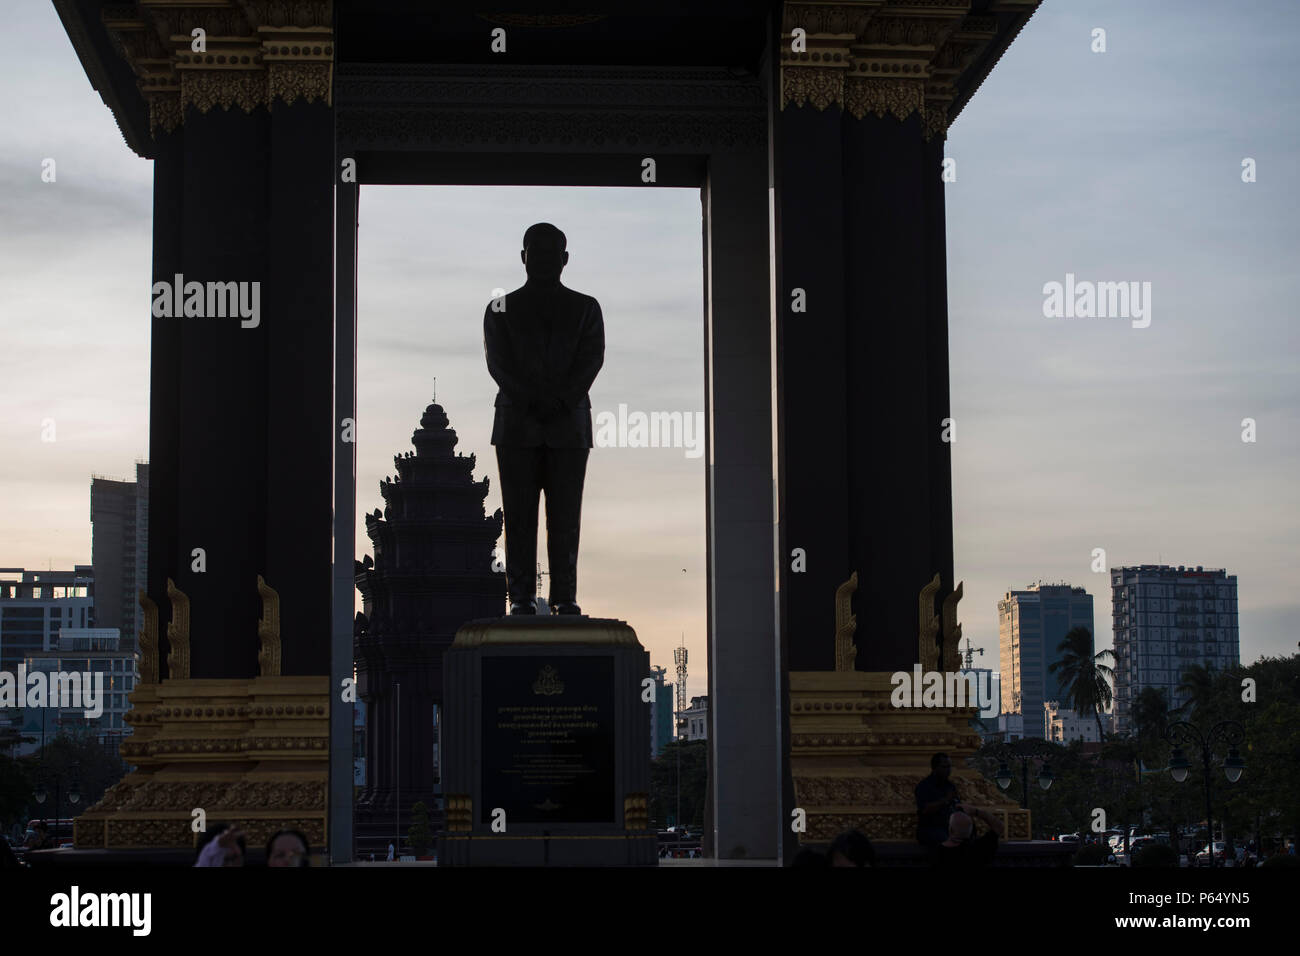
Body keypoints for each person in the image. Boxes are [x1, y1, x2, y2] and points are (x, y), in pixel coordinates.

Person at [484, 222, 605, 616]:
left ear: (564, 259)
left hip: (568, 425)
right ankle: (519, 597)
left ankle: (564, 595)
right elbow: (497, 363)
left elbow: (591, 359)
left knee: (566, 519)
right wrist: (533, 400)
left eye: (551, 253)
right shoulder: (500, 307)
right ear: (523, 257)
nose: (542, 260)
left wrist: (561, 400)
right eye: (535, 252)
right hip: (518, 424)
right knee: (519, 518)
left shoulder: (586, 308)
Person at [934, 803, 1004, 867]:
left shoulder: (939, 852)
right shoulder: (979, 849)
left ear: (950, 829)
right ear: (971, 831)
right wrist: (976, 811)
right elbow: (999, 826)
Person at [915, 753, 959, 846]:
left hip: (949, 826)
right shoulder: (925, 786)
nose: (948, 770)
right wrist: (946, 800)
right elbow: (925, 809)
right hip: (930, 828)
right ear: (935, 768)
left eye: (949, 767)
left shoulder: (950, 786)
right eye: (944, 767)